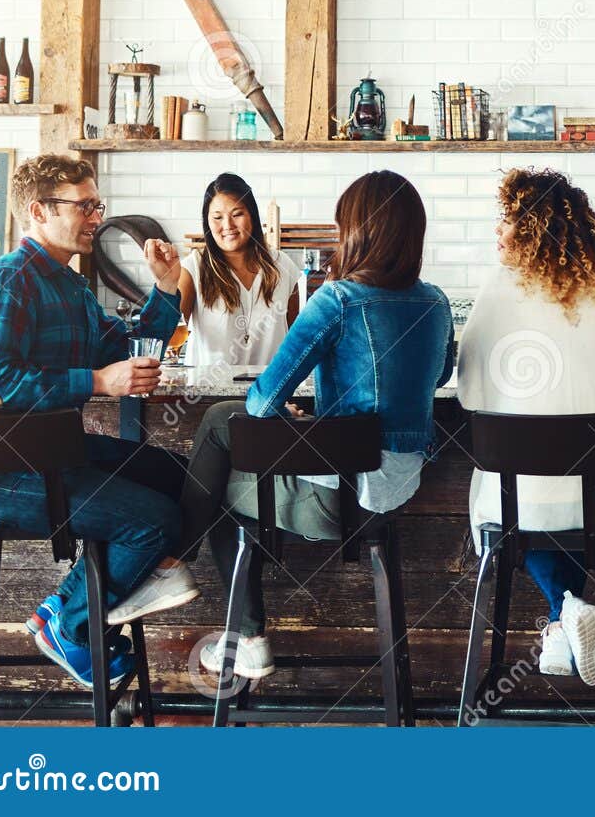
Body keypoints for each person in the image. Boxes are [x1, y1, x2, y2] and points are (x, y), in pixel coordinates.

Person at [180, 171, 455, 681]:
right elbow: (440, 375)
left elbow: (262, 402)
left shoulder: (339, 298)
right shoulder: (436, 302)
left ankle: (233, 622)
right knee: (225, 444)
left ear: (356, 231)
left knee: (217, 466)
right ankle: (193, 579)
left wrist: (288, 414)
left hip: (339, 501)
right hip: (393, 499)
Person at [0, 154, 198, 689]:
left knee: (187, 481)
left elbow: (123, 344)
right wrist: (99, 383)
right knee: (152, 521)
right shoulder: (8, 283)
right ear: (38, 210)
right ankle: (73, 627)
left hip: (49, 455)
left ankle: (67, 607)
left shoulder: (71, 285)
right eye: (84, 206)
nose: (95, 218)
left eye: (96, 205)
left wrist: (167, 288)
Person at [457, 168, 595, 686]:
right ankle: (566, 618)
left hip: (518, 497)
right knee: (560, 516)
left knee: (522, 516)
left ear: (531, 228)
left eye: (508, 220)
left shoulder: (500, 287)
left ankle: (566, 612)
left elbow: (470, 393)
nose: (498, 233)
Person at [177, 173, 301, 367]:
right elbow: (168, 335)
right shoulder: (193, 268)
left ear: (252, 215)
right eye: (217, 217)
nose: (228, 225)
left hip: (270, 392)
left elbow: (296, 342)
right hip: (208, 393)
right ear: (207, 222)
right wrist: (164, 280)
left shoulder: (283, 266)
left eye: (237, 214)